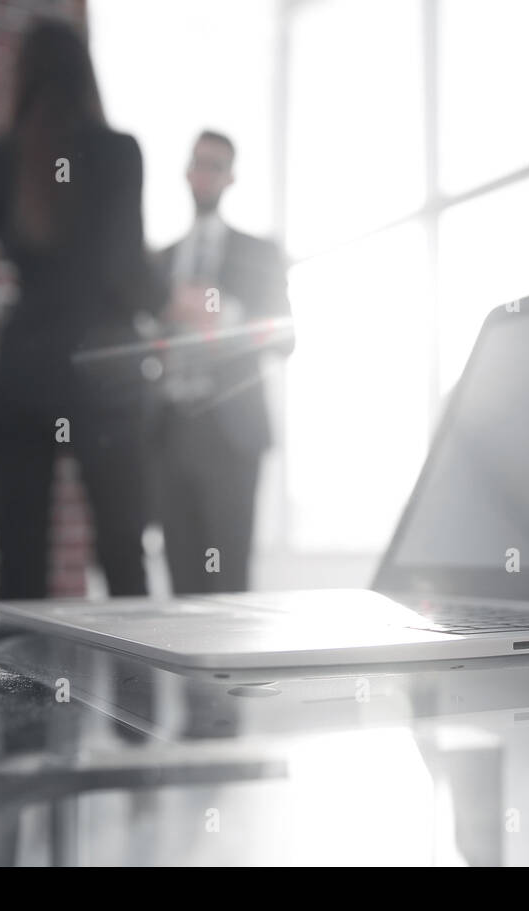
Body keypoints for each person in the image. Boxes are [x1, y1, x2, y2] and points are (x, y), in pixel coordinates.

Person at [0, 19, 169, 599]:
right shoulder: (117, 153)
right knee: (124, 562)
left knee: (17, 573)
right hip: (103, 377)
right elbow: (127, 276)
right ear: (87, 73)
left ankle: (14, 694)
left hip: (20, 376)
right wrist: (166, 294)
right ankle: (134, 693)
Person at [157, 130, 293, 594]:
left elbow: (285, 336)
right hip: (170, 432)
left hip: (231, 433)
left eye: (216, 165)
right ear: (186, 172)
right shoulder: (160, 261)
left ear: (230, 176)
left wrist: (227, 316)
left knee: (229, 583)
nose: (205, 173)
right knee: (181, 586)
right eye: (199, 163)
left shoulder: (259, 253)